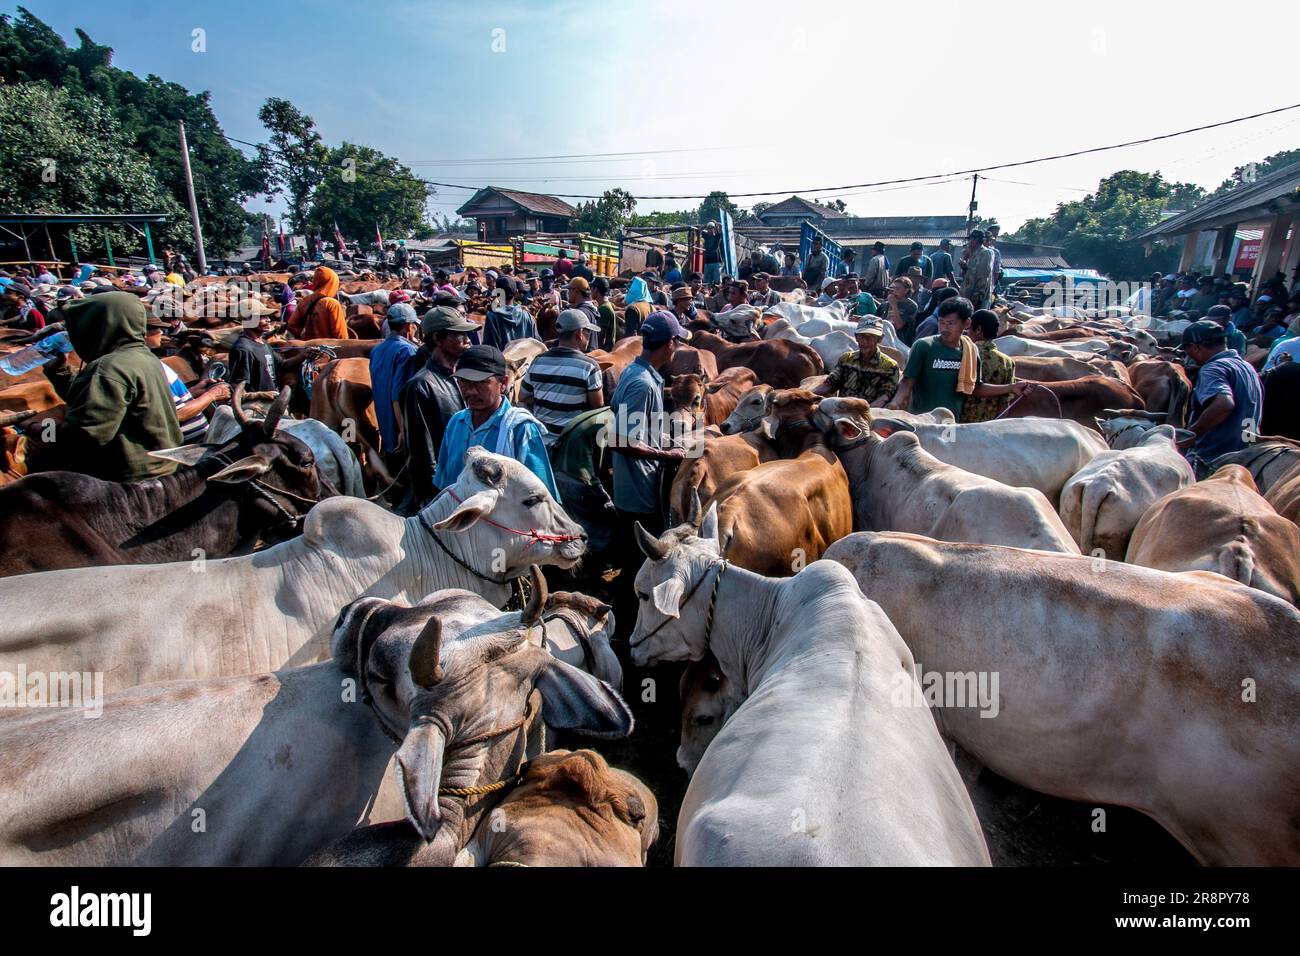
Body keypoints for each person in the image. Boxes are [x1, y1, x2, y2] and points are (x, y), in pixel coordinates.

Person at [37, 291, 183, 482]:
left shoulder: (109, 367)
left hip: (127, 482)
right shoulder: (143, 357)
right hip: (162, 467)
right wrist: (60, 371)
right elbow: (97, 399)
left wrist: (43, 430)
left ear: (96, 327)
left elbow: (83, 437)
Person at [609, 311, 690, 599]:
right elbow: (618, 441)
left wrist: (667, 441)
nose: (677, 347)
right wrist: (667, 455)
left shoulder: (639, 373)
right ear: (669, 343)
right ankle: (630, 617)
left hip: (636, 483)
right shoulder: (642, 384)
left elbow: (640, 429)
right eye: (677, 341)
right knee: (641, 562)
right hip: (638, 490)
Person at [433, 345, 557, 500]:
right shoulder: (456, 423)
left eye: (481, 382)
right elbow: (443, 483)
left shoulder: (520, 429)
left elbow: (542, 497)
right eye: (463, 382)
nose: (470, 391)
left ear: (503, 382)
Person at [887, 295, 1025, 418]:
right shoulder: (924, 346)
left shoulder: (970, 351)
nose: (944, 328)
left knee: (949, 444)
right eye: (941, 322)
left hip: (950, 423)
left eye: (951, 323)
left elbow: (976, 388)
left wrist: (1011, 387)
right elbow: (907, 382)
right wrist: (895, 403)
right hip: (921, 419)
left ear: (967, 324)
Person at [399, 307, 479, 511]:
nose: (467, 339)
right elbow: (422, 453)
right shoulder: (420, 386)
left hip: (468, 482)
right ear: (437, 338)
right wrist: (435, 497)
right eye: (458, 334)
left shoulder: (463, 378)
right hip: (445, 491)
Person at [1181, 319, 1264, 469]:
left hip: (1213, 457)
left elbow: (1224, 404)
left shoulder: (1213, 369)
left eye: (1187, 351)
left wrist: (1191, 434)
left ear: (1196, 347)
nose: (1189, 357)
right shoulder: (1248, 368)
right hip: (1247, 454)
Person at [520, 309, 605, 447]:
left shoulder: (537, 361)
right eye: (587, 332)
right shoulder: (589, 366)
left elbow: (523, 396)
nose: (589, 337)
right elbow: (598, 406)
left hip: (539, 441)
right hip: (571, 444)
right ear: (579, 334)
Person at [144, 317, 229, 443]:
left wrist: (194, 391)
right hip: (185, 447)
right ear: (143, 333)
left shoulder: (153, 361)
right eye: (157, 328)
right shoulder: (146, 366)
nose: (161, 332)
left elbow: (169, 401)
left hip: (197, 440)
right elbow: (177, 414)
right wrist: (211, 395)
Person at [369, 302, 423, 456]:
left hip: (384, 423)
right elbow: (398, 395)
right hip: (400, 428)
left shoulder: (376, 350)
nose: (415, 329)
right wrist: (403, 430)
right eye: (414, 325)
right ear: (408, 326)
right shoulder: (408, 351)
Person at [812, 317, 899, 406]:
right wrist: (806, 395)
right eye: (861, 336)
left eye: (870, 337)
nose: (864, 341)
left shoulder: (889, 366)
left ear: (879, 339)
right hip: (841, 411)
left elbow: (884, 397)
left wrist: (864, 412)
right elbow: (829, 384)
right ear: (856, 337)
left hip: (869, 414)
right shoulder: (846, 359)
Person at [960, 309, 1016, 423]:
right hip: (987, 427)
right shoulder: (1007, 362)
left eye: (969, 328)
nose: (967, 332)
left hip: (960, 423)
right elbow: (1005, 403)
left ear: (978, 330)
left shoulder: (963, 353)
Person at [227, 307, 280, 392]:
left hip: (272, 397)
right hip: (257, 402)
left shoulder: (263, 342)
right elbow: (238, 385)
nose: (268, 319)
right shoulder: (243, 349)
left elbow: (282, 365)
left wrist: (304, 355)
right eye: (262, 317)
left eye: (267, 316)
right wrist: (257, 396)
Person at [288, 266, 348, 340]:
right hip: (328, 349)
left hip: (308, 348)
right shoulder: (332, 304)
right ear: (332, 283)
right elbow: (340, 335)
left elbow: (292, 326)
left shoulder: (304, 301)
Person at [483, 280, 539, 350]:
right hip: (527, 360)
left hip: (502, 360)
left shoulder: (492, 316)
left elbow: (489, 348)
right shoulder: (528, 316)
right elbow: (537, 344)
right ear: (516, 292)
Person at [959, 230, 995, 310]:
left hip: (977, 299)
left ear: (976, 240)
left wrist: (977, 297)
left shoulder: (985, 253)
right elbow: (970, 276)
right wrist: (964, 267)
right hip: (968, 296)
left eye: (970, 239)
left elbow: (983, 277)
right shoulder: (973, 254)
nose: (969, 242)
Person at [566, 276, 603, 351]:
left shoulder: (581, 313)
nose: (568, 293)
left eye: (569, 290)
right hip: (592, 354)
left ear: (576, 291)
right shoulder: (590, 309)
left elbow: (576, 341)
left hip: (583, 357)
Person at [592, 276, 621, 346]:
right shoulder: (606, 305)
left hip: (604, 351)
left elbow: (601, 336)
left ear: (595, 289)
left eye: (591, 288)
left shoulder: (604, 309)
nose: (590, 291)